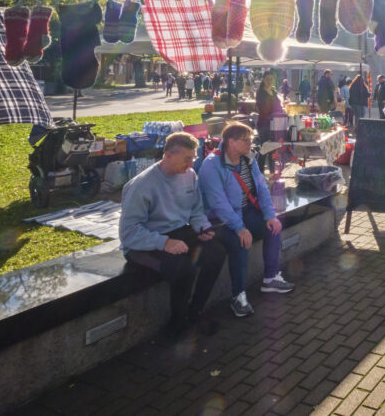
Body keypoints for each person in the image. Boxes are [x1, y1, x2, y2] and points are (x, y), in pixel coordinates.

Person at [119, 132, 225, 337]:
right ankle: (177, 324)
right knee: (183, 268)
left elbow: (195, 210)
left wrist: (201, 226)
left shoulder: (189, 175)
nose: (191, 165)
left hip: (177, 231)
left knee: (216, 253)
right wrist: (164, 243)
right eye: (187, 159)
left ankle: (195, 312)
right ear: (168, 155)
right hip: (143, 242)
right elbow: (128, 232)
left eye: (193, 158)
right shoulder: (142, 185)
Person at [198, 123, 293, 319]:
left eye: (251, 139)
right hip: (220, 219)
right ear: (231, 142)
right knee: (240, 243)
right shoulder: (211, 165)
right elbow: (219, 203)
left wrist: (270, 215)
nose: (251, 143)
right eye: (246, 140)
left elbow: (262, 188)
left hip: (246, 209)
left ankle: (270, 278)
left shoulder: (249, 159)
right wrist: (240, 228)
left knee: (273, 228)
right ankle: (238, 296)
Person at [255, 72, 278, 173]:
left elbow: (278, 106)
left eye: (272, 79)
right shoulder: (260, 93)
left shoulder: (274, 91)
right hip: (264, 124)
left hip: (274, 124)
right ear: (263, 80)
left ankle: (272, 173)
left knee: (273, 149)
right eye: (268, 79)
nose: (270, 81)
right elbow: (263, 109)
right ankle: (260, 173)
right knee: (264, 149)